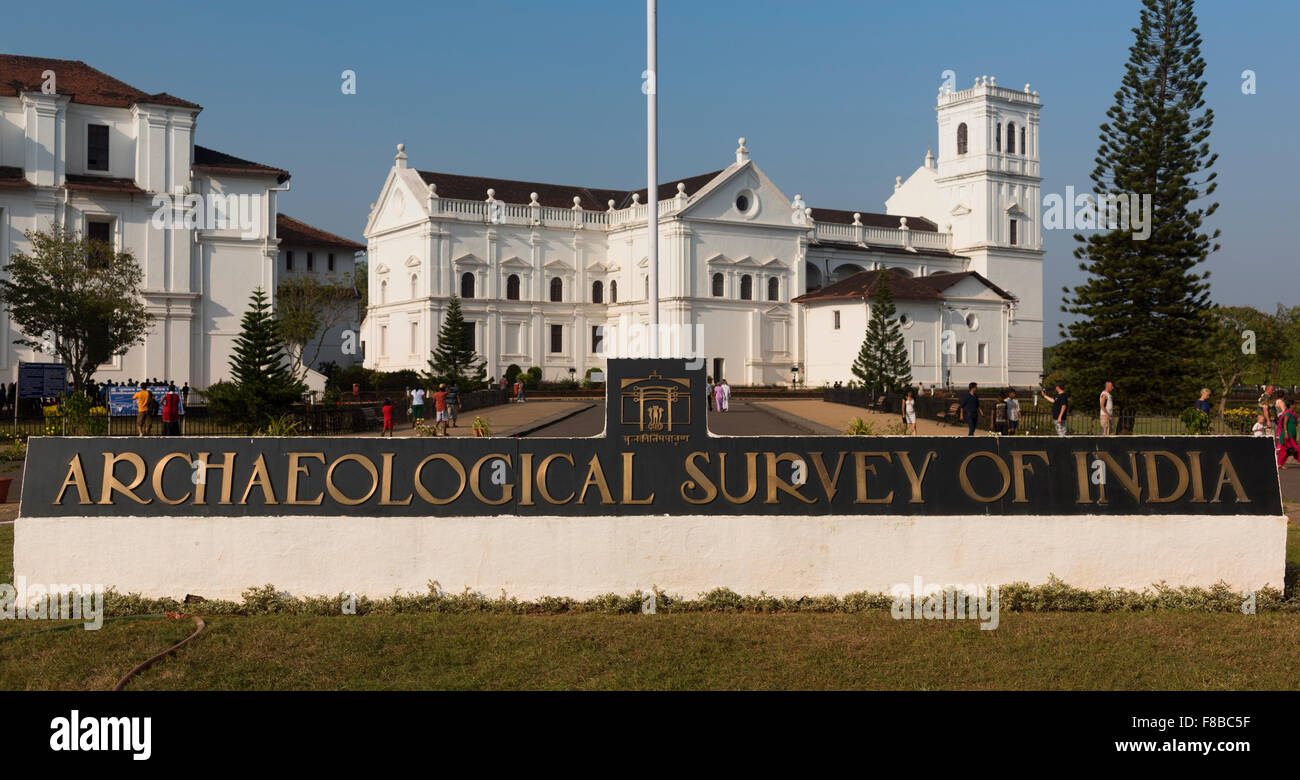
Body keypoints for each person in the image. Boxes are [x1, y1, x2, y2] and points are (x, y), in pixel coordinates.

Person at [1277, 399, 1300, 468]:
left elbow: (1295, 423)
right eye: (1294, 404)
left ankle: (1279, 464)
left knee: (1285, 450)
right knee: (1296, 448)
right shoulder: (1287, 413)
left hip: (1292, 434)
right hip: (1287, 434)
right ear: (1291, 405)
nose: (1295, 405)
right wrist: (1286, 433)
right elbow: (1284, 423)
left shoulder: (1293, 413)